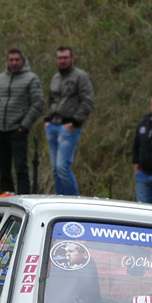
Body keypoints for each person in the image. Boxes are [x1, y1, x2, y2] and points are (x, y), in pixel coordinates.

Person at [0, 48, 43, 195]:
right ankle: (6, 196)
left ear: (22, 61)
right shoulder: (0, 79)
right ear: (6, 61)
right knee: (3, 168)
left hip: (17, 130)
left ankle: (24, 198)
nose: (14, 63)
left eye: (16, 60)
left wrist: (24, 126)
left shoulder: (31, 79)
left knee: (21, 168)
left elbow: (38, 103)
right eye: (11, 59)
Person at [44, 45, 95, 196]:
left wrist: (74, 122)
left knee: (62, 166)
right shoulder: (55, 78)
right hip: (52, 125)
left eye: (65, 57)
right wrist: (47, 119)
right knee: (55, 169)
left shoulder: (81, 76)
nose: (63, 61)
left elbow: (88, 101)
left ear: (72, 58)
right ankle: (60, 199)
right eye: (60, 58)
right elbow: (51, 100)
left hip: (68, 127)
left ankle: (74, 200)